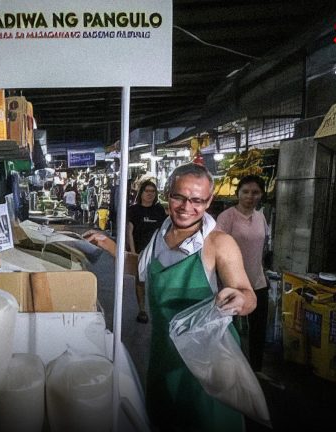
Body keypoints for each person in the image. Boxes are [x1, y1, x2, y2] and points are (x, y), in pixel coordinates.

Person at [85, 163, 256, 431]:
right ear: (168, 194)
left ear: (209, 200)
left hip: (206, 360)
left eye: (197, 200)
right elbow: (141, 268)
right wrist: (107, 245)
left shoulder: (218, 243)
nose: (187, 207)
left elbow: (249, 295)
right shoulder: (160, 235)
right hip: (164, 353)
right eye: (179, 197)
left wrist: (240, 300)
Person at [216, 175, 269, 372]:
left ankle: (256, 370)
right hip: (232, 282)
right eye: (245, 192)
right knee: (228, 328)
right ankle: (229, 370)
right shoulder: (227, 217)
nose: (250, 196)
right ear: (238, 193)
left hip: (257, 280)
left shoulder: (261, 216)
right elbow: (218, 247)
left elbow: (261, 247)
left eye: (255, 192)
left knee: (258, 330)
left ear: (261, 195)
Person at [127, 180, 167, 324]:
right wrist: (133, 252)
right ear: (141, 193)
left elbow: (165, 230)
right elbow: (129, 232)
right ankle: (142, 310)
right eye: (147, 191)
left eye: (153, 191)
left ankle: (158, 308)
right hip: (140, 250)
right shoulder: (134, 210)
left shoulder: (159, 210)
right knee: (140, 280)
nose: (150, 194)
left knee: (158, 281)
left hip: (158, 251)